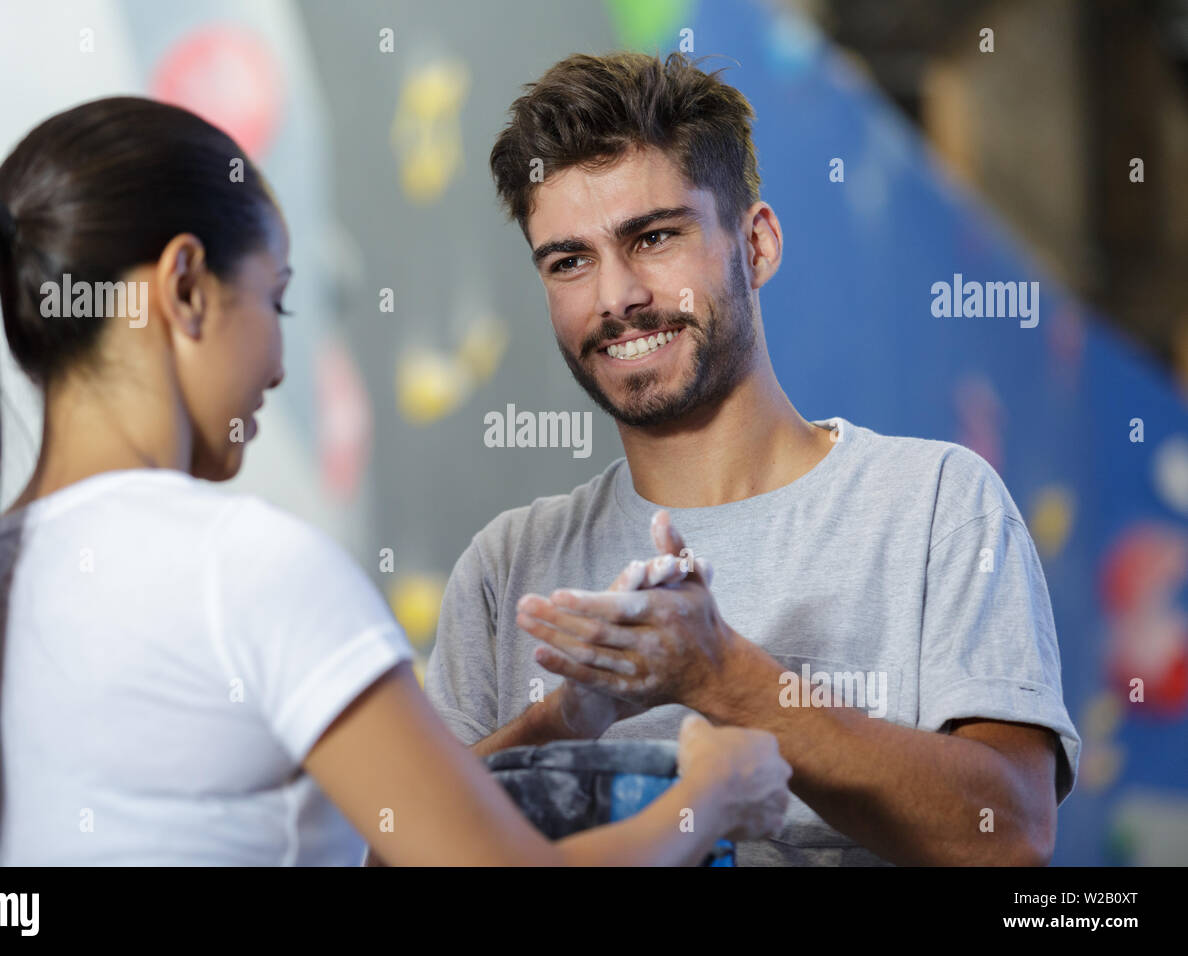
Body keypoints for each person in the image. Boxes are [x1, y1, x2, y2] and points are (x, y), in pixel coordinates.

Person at [0, 96, 792, 866]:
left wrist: (563, 717)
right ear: (186, 287)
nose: (281, 365)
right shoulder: (242, 567)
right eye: (277, 300)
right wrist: (707, 799)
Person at [425, 52, 1082, 866]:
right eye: (569, 261)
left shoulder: (935, 504)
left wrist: (722, 676)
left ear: (758, 244)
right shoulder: (504, 568)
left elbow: (1010, 835)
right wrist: (563, 720)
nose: (615, 297)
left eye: (655, 237)